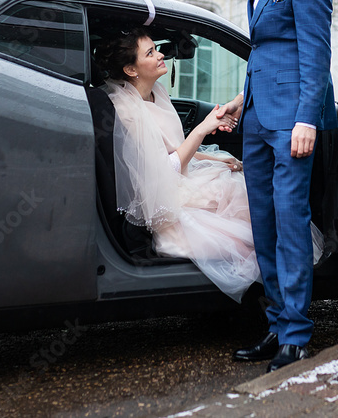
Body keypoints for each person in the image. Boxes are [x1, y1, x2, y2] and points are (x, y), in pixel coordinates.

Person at [218, 0, 337, 373]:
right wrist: (240, 100)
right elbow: (271, 55)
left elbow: (314, 54)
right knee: (263, 224)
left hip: (291, 125)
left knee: (290, 223)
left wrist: (307, 118)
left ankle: (297, 336)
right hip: (257, 121)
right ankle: (275, 325)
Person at [95, 28, 260, 301]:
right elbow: (164, 171)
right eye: (150, 53)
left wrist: (216, 158)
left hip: (179, 176)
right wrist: (203, 129)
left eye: (155, 48)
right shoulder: (124, 110)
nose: (161, 55)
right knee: (242, 198)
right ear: (131, 69)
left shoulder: (157, 91)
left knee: (239, 178)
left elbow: (173, 150)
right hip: (162, 194)